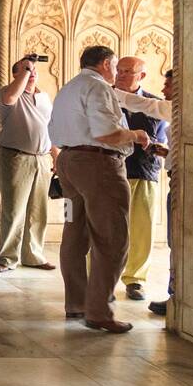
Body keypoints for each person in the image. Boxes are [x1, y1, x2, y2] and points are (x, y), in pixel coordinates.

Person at [48, 45, 153, 333]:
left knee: (74, 233)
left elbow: (53, 129)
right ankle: (99, 312)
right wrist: (137, 135)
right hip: (98, 166)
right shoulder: (98, 88)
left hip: (68, 164)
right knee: (112, 238)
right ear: (105, 63)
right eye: (115, 66)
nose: (116, 72)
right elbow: (105, 132)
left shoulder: (68, 88)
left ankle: (77, 304)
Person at [115, 70, 177, 316]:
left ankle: (168, 293)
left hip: (147, 172)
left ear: (140, 74)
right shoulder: (172, 106)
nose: (164, 90)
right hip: (117, 169)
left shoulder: (169, 106)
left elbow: (141, 104)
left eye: (169, 85)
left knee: (150, 231)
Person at [0, 56, 58, 273]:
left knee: (38, 211)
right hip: (17, 158)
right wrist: (25, 70)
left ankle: (34, 255)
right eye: (26, 71)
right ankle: (7, 258)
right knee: (14, 210)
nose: (32, 74)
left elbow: (51, 128)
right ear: (16, 75)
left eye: (34, 71)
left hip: (42, 159)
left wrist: (56, 156)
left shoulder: (44, 98)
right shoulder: (8, 94)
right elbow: (12, 95)